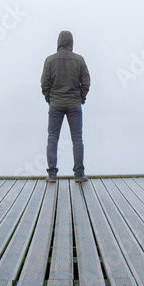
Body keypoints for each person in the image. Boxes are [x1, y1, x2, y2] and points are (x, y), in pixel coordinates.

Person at [40, 30, 90, 183]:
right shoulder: (79, 60)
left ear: (58, 42)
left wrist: (50, 99)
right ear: (71, 42)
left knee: (52, 138)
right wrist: (80, 97)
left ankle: (52, 175)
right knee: (77, 138)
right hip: (74, 104)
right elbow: (86, 82)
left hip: (56, 104)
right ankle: (79, 175)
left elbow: (44, 83)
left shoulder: (49, 60)